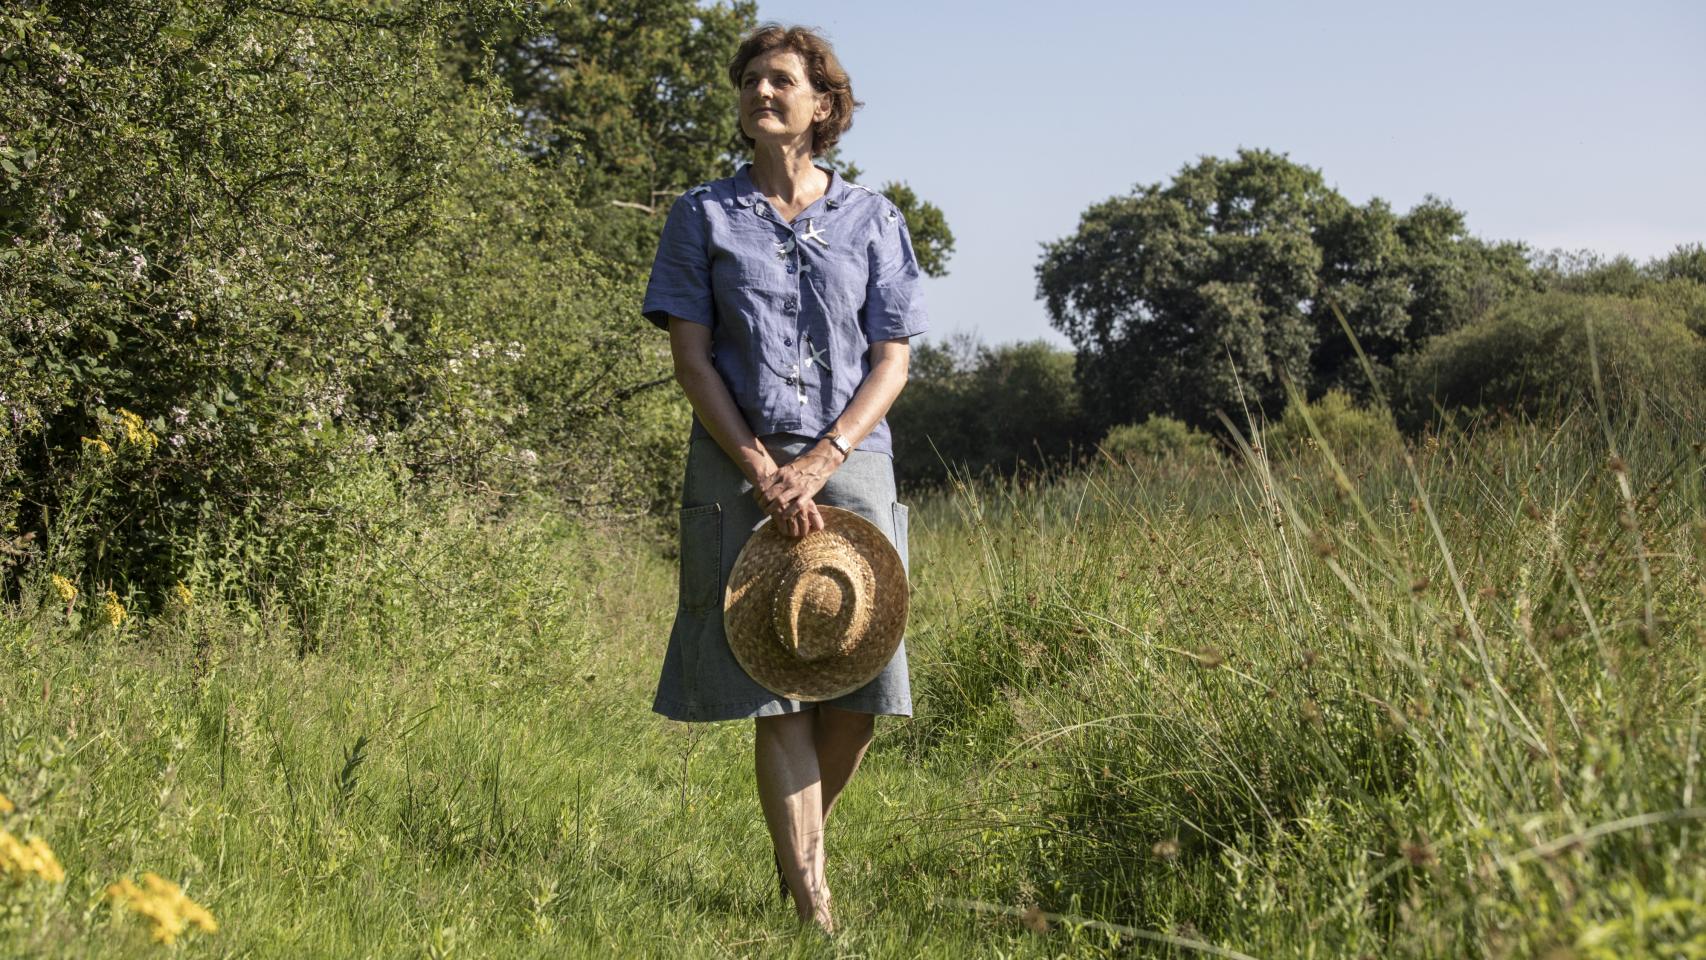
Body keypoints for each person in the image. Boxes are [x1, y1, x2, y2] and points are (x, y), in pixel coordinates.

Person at [640, 23, 928, 935]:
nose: (763, 92)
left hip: (852, 466)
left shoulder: (875, 220)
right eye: (752, 80)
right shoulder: (702, 215)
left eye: (782, 81)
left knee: (858, 690)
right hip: (740, 466)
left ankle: (795, 848)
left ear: (823, 106)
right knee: (776, 685)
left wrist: (825, 458)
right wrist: (764, 468)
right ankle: (816, 909)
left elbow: (893, 359)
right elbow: (692, 359)